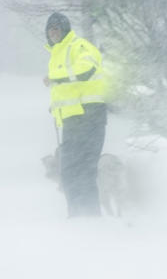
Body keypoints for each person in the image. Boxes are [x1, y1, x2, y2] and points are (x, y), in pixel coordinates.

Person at [43, 12, 107, 217]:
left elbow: (86, 70)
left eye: (56, 28)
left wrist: (55, 77)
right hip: (75, 119)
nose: (53, 33)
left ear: (65, 30)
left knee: (79, 170)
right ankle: (82, 216)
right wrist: (56, 108)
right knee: (74, 171)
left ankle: (85, 217)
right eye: (50, 29)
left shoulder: (79, 46)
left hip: (88, 116)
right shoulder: (58, 53)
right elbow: (69, 90)